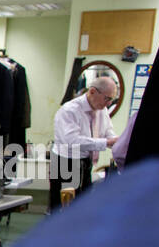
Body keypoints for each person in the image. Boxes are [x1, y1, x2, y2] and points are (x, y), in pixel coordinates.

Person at [50, 76, 118, 210]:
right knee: (62, 208)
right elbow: (72, 140)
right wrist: (107, 142)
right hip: (66, 163)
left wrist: (118, 142)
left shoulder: (101, 110)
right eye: (107, 98)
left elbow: (108, 131)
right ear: (92, 91)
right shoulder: (70, 110)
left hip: (86, 162)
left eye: (111, 99)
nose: (109, 104)